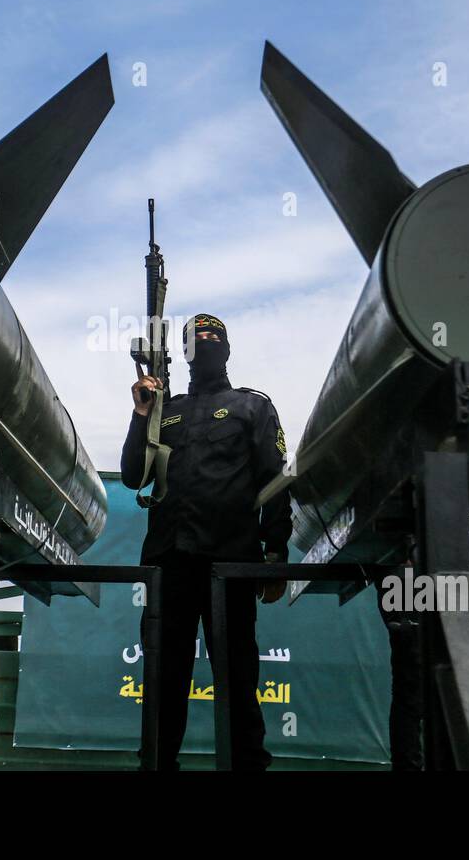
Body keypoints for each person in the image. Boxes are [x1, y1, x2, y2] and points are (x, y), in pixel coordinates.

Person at [121, 312, 292, 771]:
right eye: (198, 337)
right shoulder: (164, 409)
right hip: (168, 565)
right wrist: (142, 415)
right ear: (184, 351)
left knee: (237, 679)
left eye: (217, 335)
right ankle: (156, 766)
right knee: (162, 681)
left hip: (229, 564)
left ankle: (247, 766)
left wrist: (276, 554)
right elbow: (134, 474)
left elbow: (275, 480)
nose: (209, 341)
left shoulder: (252, 406)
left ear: (229, 349)